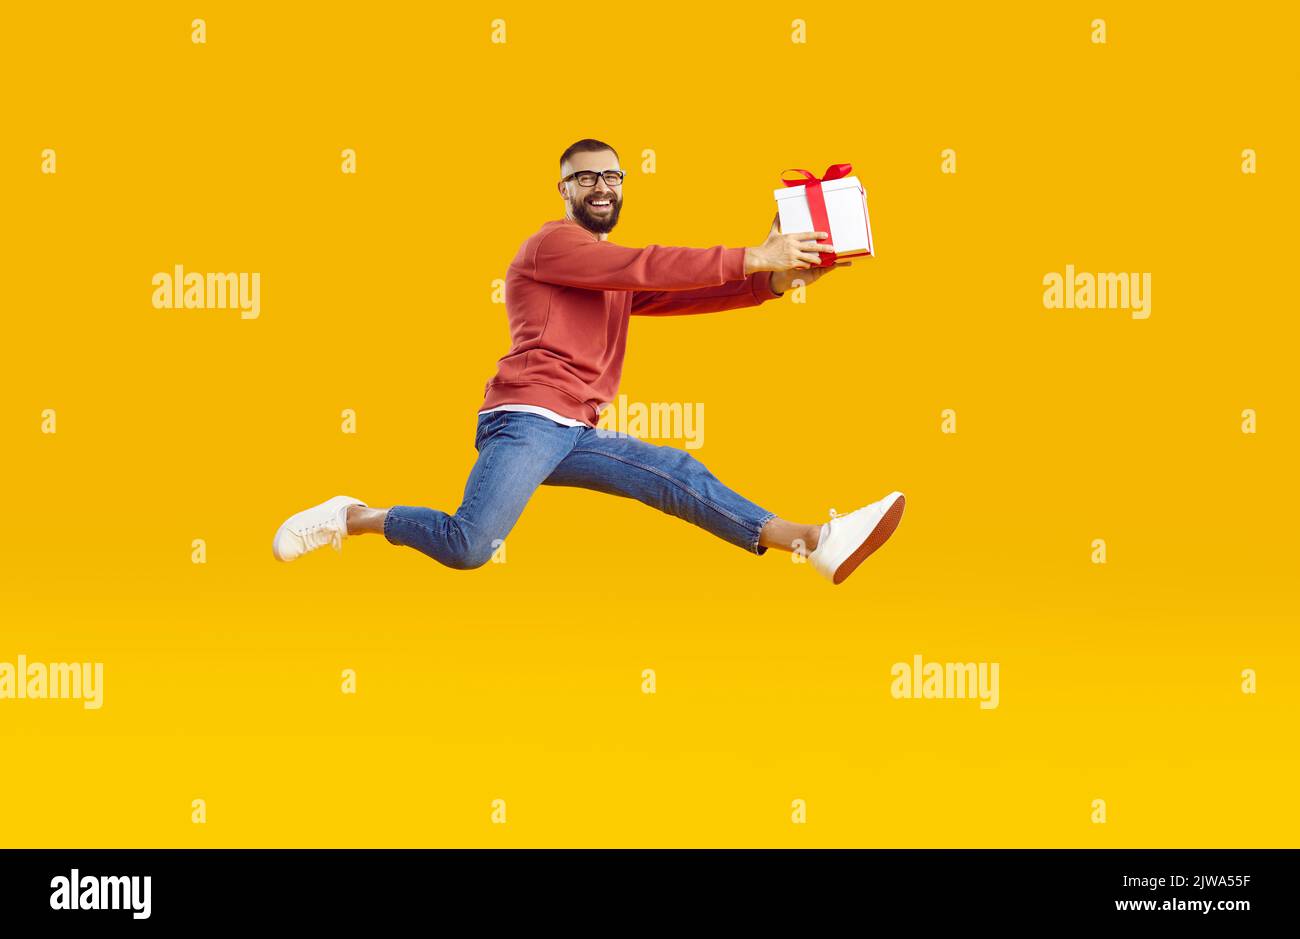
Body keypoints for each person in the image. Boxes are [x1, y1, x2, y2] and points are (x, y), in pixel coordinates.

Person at [273, 138, 904, 584]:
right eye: (586, 177)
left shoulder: (609, 273)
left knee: (674, 473)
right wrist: (751, 255)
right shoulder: (553, 244)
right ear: (564, 189)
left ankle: (815, 541)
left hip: (574, 429)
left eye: (612, 177)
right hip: (524, 419)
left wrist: (779, 279)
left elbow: (682, 291)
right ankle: (349, 517)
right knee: (469, 547)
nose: (601, 186)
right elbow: (645, 263)